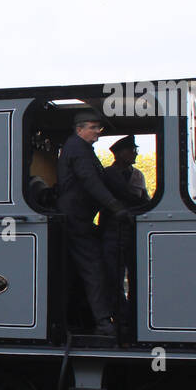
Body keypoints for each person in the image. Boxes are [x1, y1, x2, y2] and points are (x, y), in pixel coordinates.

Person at [56, 117, 134, 336]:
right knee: (94, 268)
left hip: (80, 218)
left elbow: (101, 180)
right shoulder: (78, 149)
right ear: (79, 129)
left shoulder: (81, 148)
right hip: (76, 219)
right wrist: (115, 206)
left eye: (98, 128)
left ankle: (95, 317)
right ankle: (103, 322)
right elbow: (90, 180)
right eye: (92, 128)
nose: (97, 132)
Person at [101, 135, 148, 318]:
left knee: (136, 274)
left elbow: (143, 199)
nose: (135, 153)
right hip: (112, 231)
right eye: (131, 150)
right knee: (113, 277)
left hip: (131, 231)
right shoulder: (109, 174)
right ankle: (120, 316)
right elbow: (130, 196)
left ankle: (135, 314)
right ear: (119, 154)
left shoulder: (138, 174)